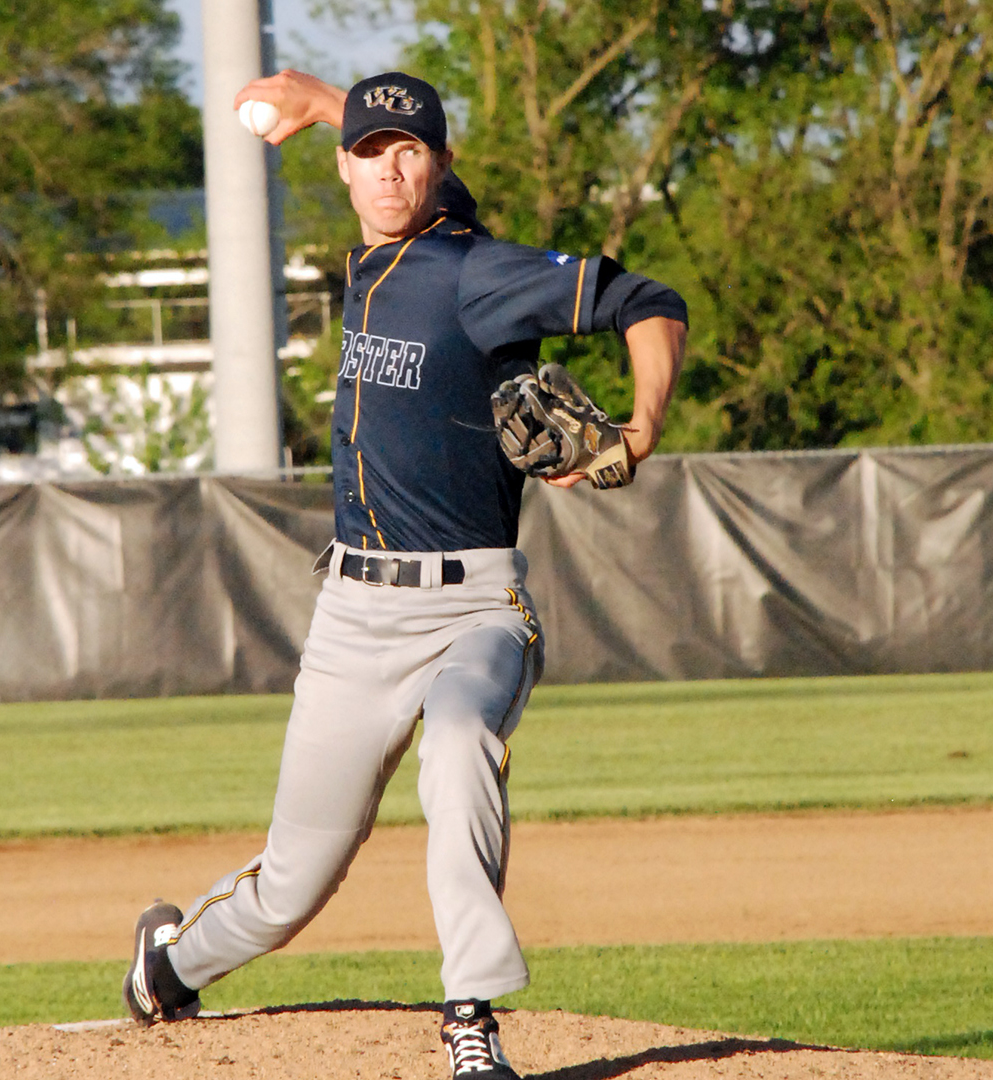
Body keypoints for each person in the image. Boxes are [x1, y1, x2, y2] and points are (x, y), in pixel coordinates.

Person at [120, 71, 687, 1080]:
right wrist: (321, 94)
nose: (392, 170)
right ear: (341, 166)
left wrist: (643, 424)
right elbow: (396, 149)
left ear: (442, 165)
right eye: (370, 151)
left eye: (411, 151)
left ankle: (470, 1014)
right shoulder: (381, 246)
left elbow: (648, 299)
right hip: (351, 615)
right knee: (294, 882)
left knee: (464, 736)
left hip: (475, 606)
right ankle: (167, 972)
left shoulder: (476, 271)